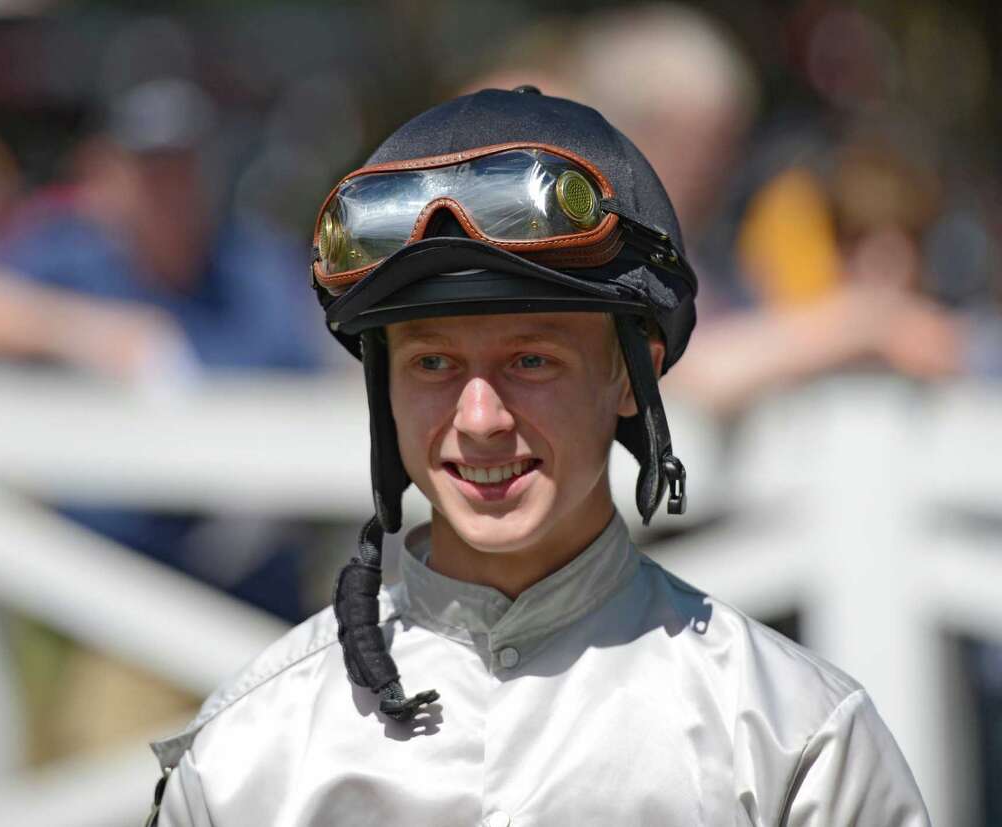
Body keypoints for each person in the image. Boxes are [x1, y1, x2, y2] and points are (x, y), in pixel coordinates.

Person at [144, 87, 929, 825]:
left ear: (632, 372)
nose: (479, 418)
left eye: (531, 361)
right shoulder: (244, 754)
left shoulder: (799, 740)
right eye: (432, 364)